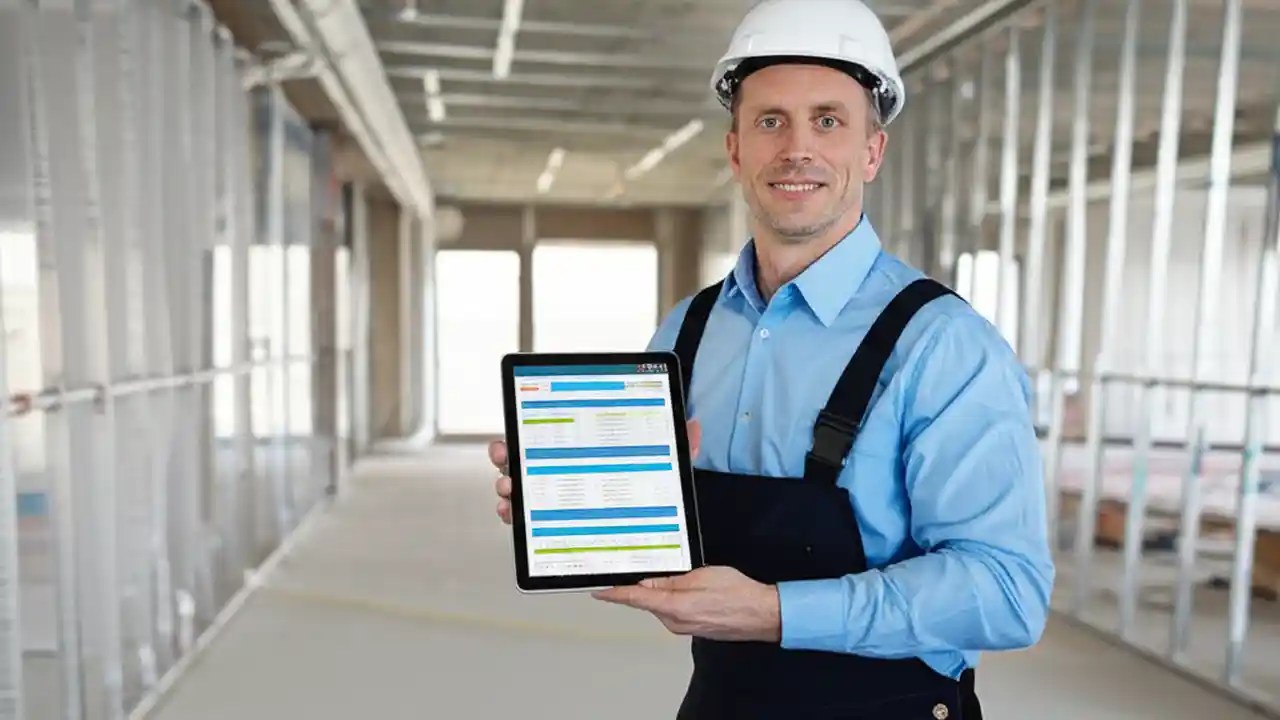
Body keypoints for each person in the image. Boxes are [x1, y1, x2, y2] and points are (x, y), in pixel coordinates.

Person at [488, 0, 1054, 717]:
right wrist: (563, 501)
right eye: (770, 121)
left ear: (871, 152)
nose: (797, 149)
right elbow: (660, 516)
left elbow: (1007, 593)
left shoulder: (943, 346)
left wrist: (773, 612)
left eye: (828, 120)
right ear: (735, 149)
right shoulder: (685, 331)